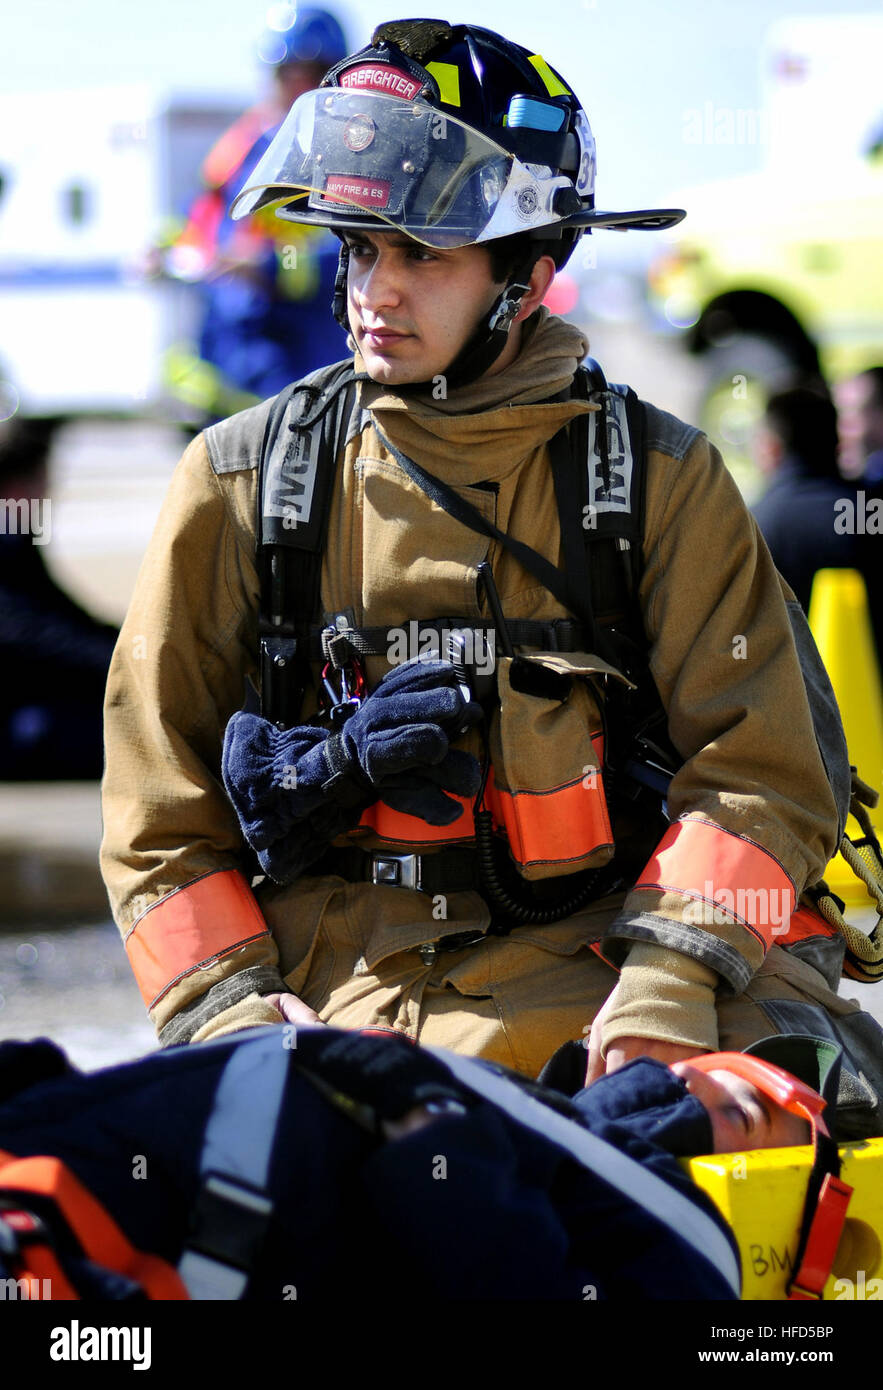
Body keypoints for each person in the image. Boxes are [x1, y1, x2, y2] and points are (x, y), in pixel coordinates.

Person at [100, 19, 883, 1141]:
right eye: (361, 249)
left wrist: (669, 980)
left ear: (528, 271)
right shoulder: (244, 482)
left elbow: (767, 779)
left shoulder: (655, 481)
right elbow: (154, 815)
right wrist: (226, 1010)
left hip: (629, 967)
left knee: (770, 1136)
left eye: (424, 253)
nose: (377, 289)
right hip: (342, 997)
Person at [0, 1027, 846, 1300]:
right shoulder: (531, 1123)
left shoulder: (691, 1245)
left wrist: (432, 1139)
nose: (678, 1079)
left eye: (741, 1111)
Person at [162, 6, 350, 420]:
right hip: (228, 352)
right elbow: (200, 218)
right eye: (287, 73)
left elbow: (353, 250)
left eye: (309, 72)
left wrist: (267, 266)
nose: (296, 85)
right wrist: (163, 250)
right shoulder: (245, 146)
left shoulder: (350, 154)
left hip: (301, 353)